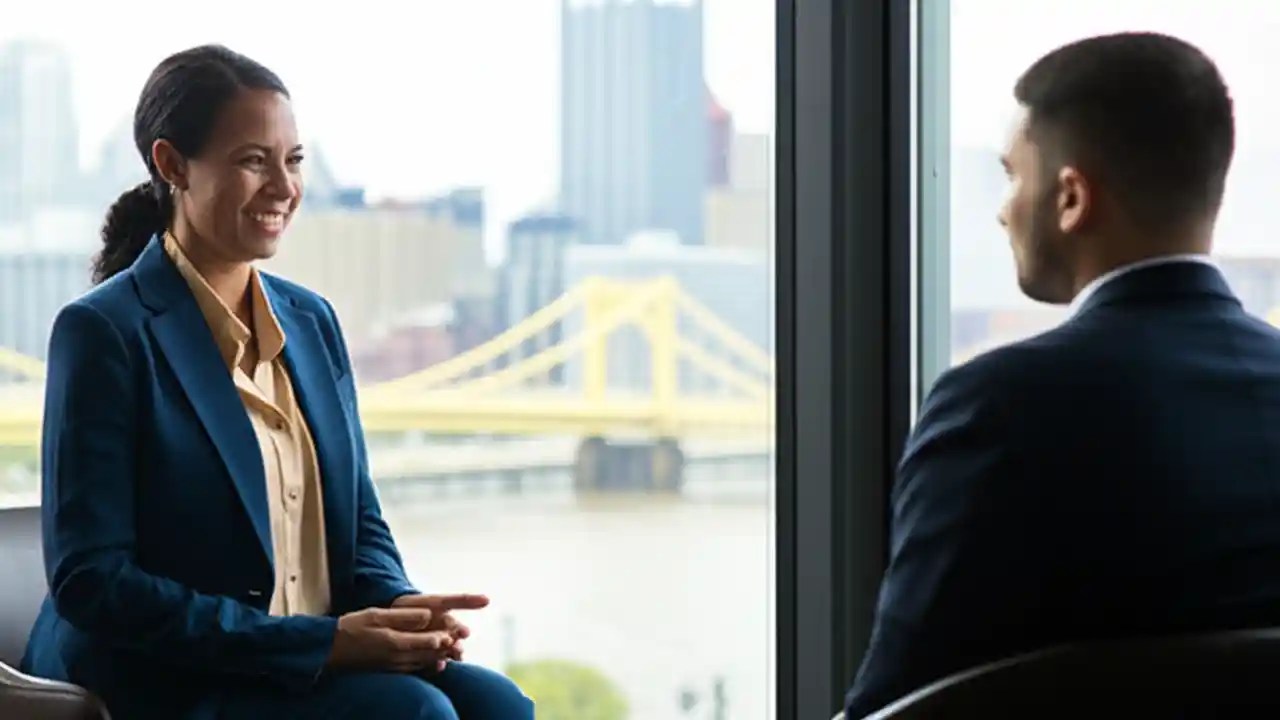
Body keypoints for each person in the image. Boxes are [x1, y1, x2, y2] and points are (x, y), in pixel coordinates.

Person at [19, 45, 533, 720]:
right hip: (177, 674)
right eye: (252, 161)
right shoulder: (105, 333)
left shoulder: (311, 321)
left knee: (499, 704)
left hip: (311, 653)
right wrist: (320, 644)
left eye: (293, 161)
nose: (284, 188)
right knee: (414, 714)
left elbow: (360, 524)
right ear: (173, 165)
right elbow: (94, 584)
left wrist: (396, 606)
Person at [844, 32, 1280, 717]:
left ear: (1071, 197)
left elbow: (898, 705)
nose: (1001, 207)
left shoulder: (998, 408)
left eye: (1012, 175)